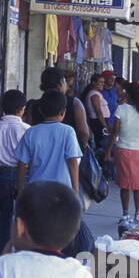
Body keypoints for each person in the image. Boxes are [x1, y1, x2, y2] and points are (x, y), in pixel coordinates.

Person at [14, 91, 93, 258]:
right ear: (63, 112)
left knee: (38, 230)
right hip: (62, 192)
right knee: (59, 232)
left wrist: (20, 189)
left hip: (36, 191)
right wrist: (75, 190)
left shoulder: (31, 132)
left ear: (41, 111)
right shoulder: (68, 132)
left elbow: (21, 165)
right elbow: (72, 161)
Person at [0, 89, 30, 260]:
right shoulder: (27, 129)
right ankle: (21, 254)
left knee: (4, 216)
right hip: (23, 177)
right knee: (23, 217)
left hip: (1, 177)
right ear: (22, 109)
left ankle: (0, 254)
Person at [104, 81, 139, 220]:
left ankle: (125, 213)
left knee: (124, 185)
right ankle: (138, 213)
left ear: (129, 95)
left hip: (123, 150)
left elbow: (115, 132)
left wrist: (108, 151)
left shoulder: (122, 108)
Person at [81, 72, 110, 148]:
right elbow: (98, 110)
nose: (103, 84)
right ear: (94, 83)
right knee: (100, 143)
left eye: (103, 82)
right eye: (100, 82)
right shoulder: (94, 94)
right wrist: (104, 125)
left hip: (100, 121)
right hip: (98, 122)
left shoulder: (97, 93)